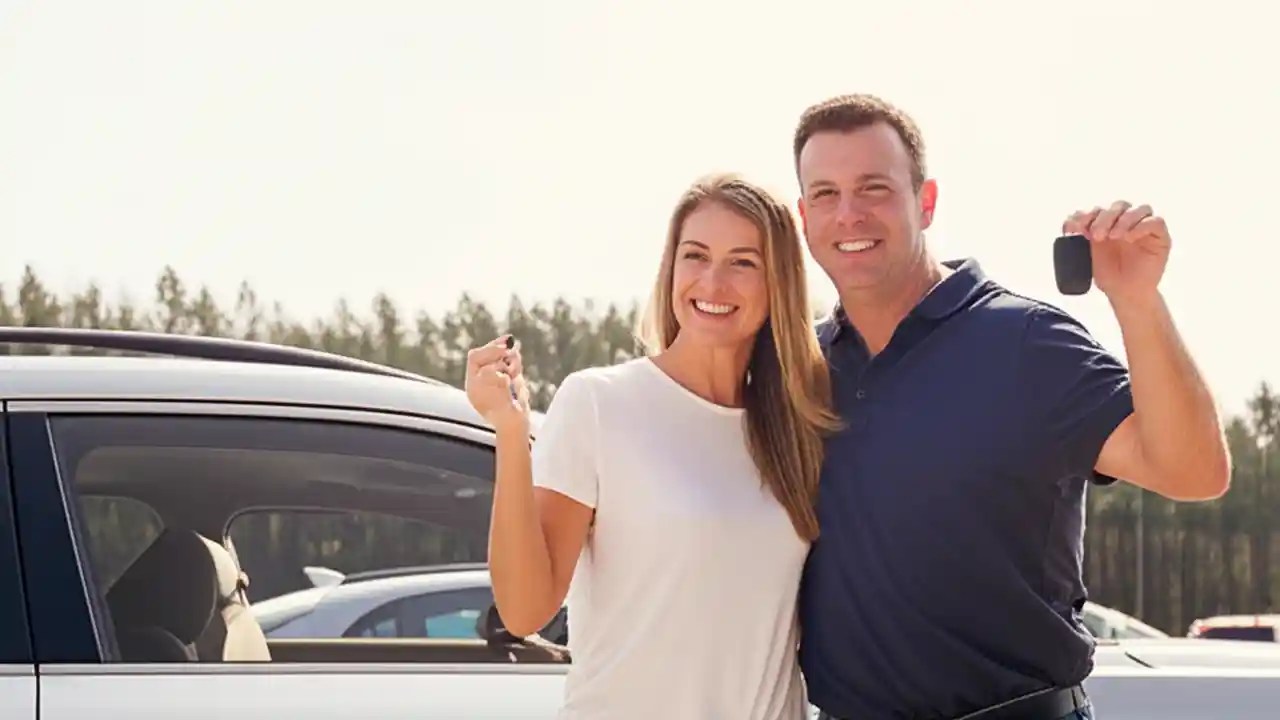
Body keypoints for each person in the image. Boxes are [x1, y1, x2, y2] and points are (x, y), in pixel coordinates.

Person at [790, 94, 1232, 720]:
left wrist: (1136, 299)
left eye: (874, 188)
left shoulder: (1025, 342)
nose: (850, 214)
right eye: (826, 194)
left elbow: (1194, 473)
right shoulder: (801, 368)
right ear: (803, 216)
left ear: (926, 201)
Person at [464, 173, 840, 720]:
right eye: (695, 256)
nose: (712, 283)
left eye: (742, 262)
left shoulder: (796, 427)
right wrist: (509, 430)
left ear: (777, 283)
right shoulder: (600, 403)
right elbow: (523, 610)